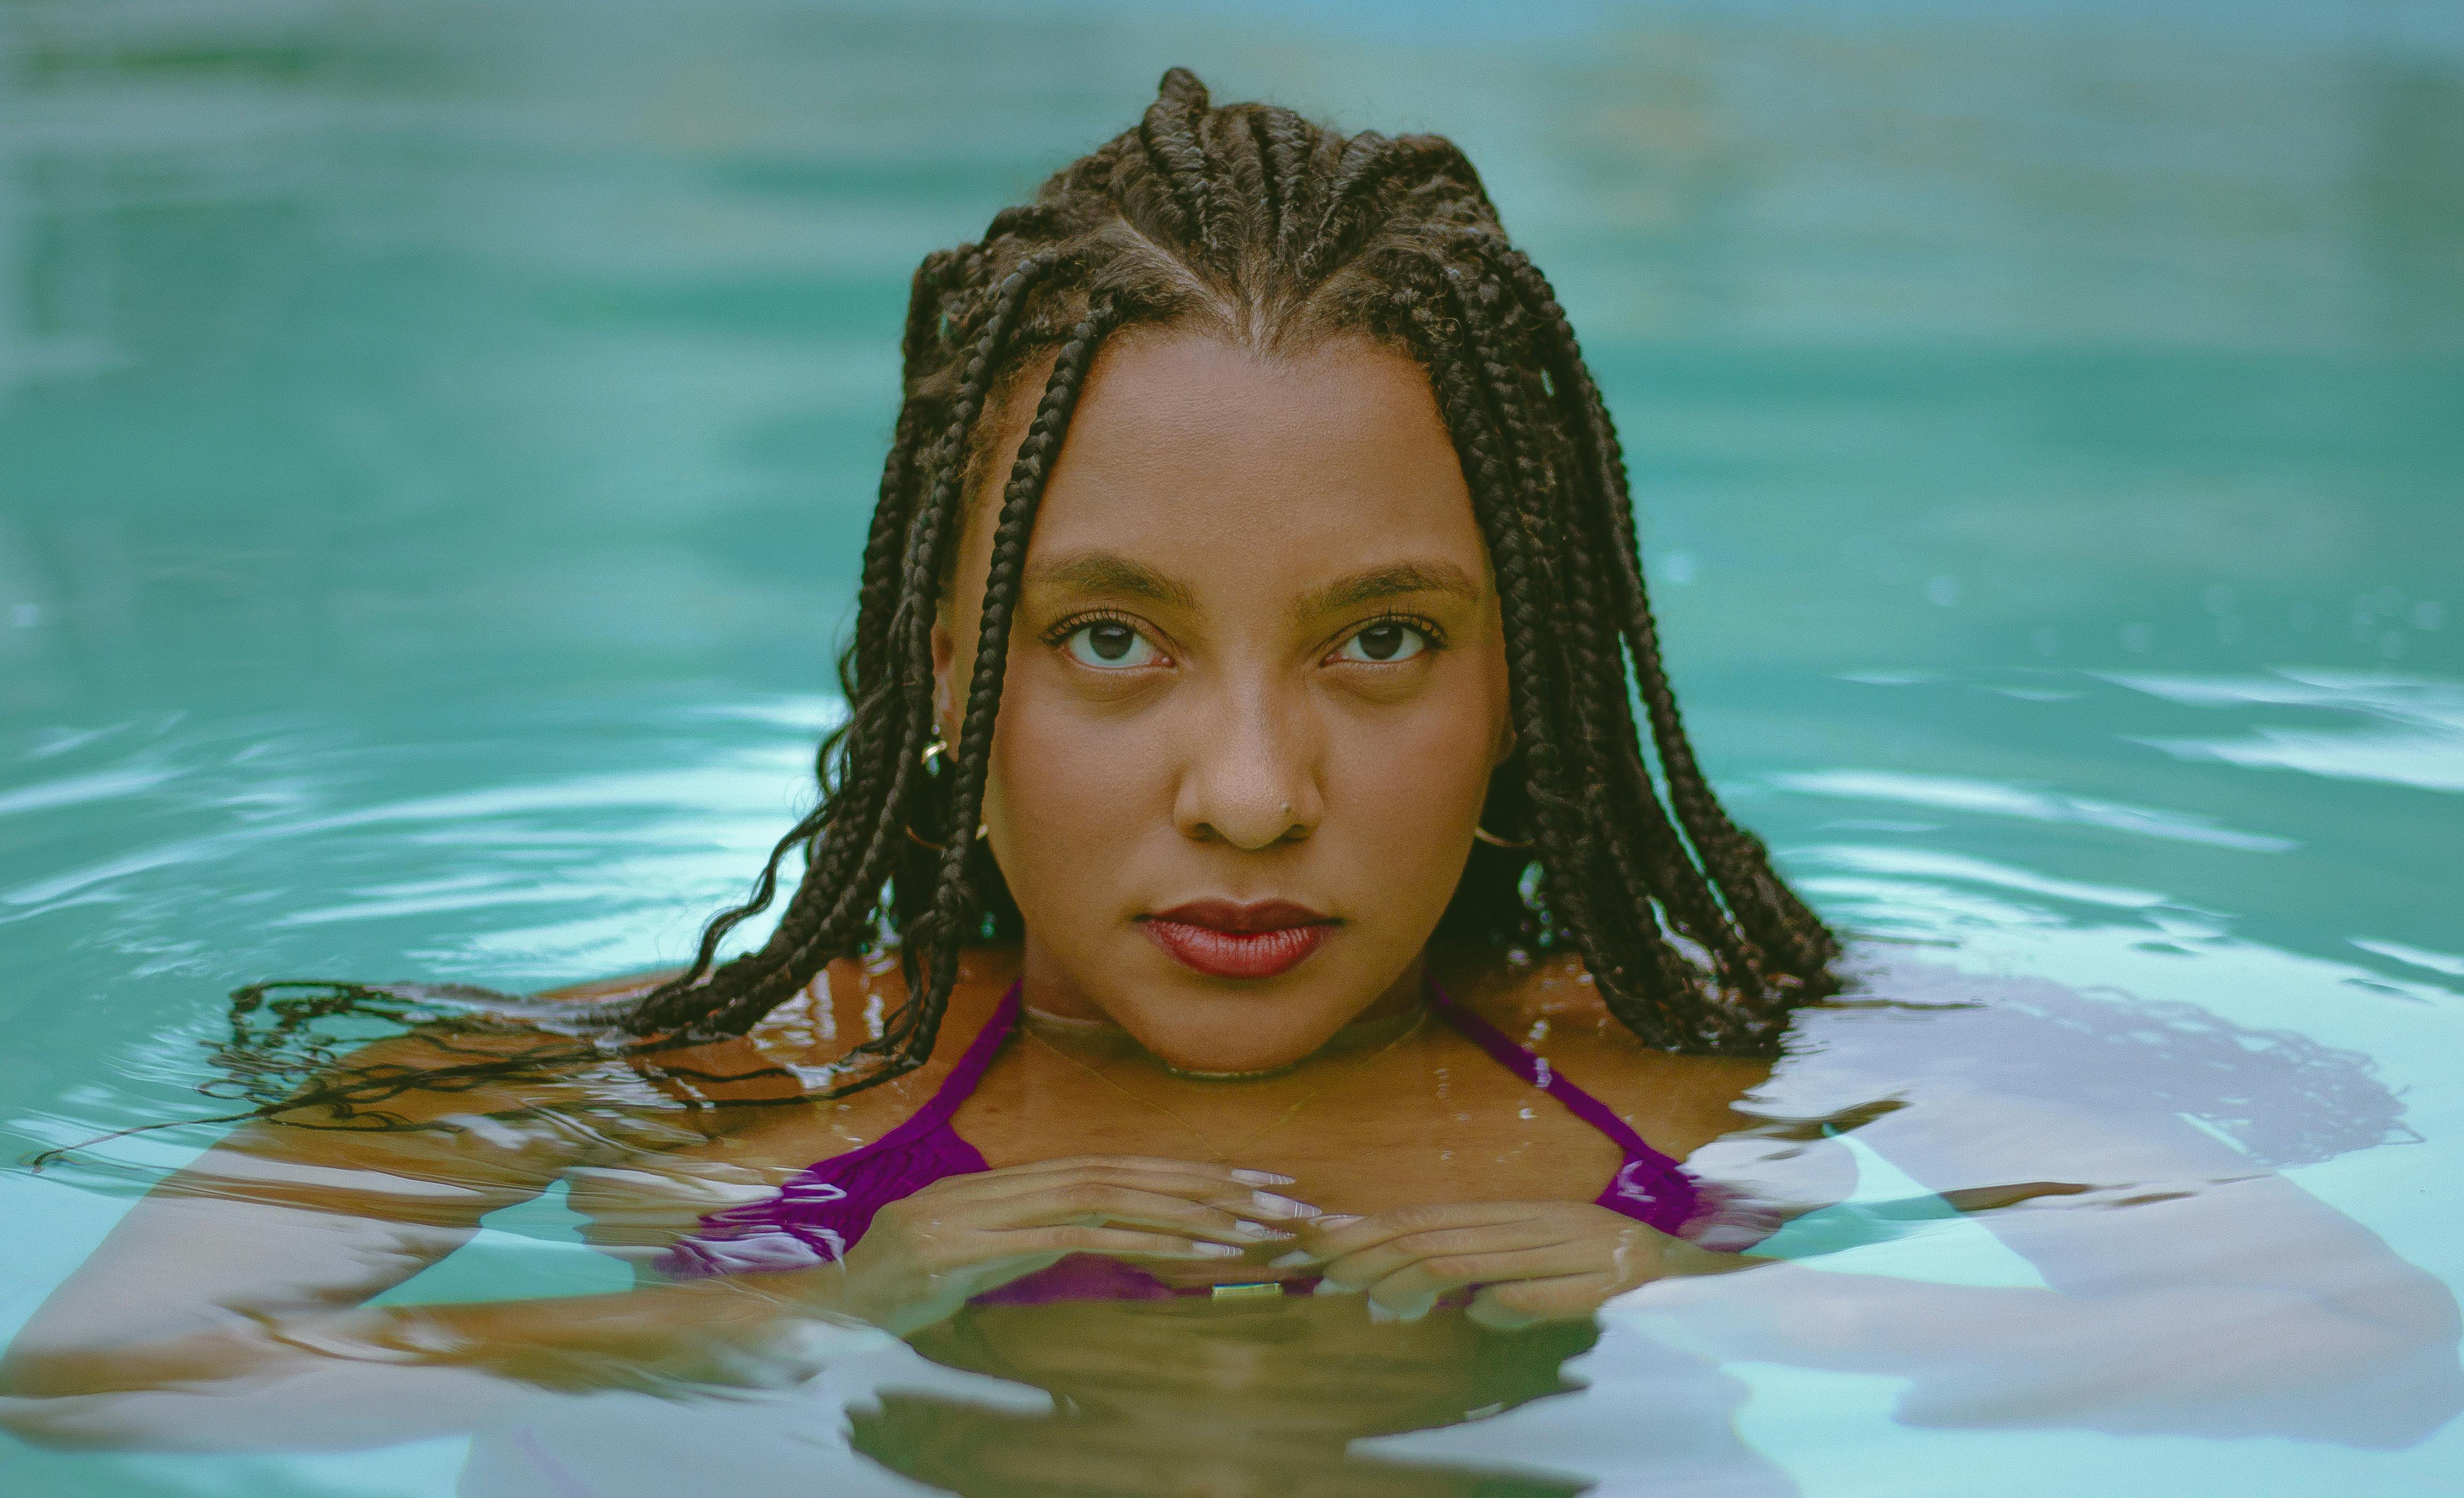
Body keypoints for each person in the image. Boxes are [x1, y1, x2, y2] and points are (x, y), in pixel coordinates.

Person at [3, 72, 2455, 1484]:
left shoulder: (1714, 1072)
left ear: (1532, 678)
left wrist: (1754, 1326)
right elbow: (105, 1366)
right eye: (1110, 643)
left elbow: (2372, 1342)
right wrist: (752, 1314)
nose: (1256, 791)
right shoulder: (708, 1079)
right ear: (949, 660)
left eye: (1383, 642)